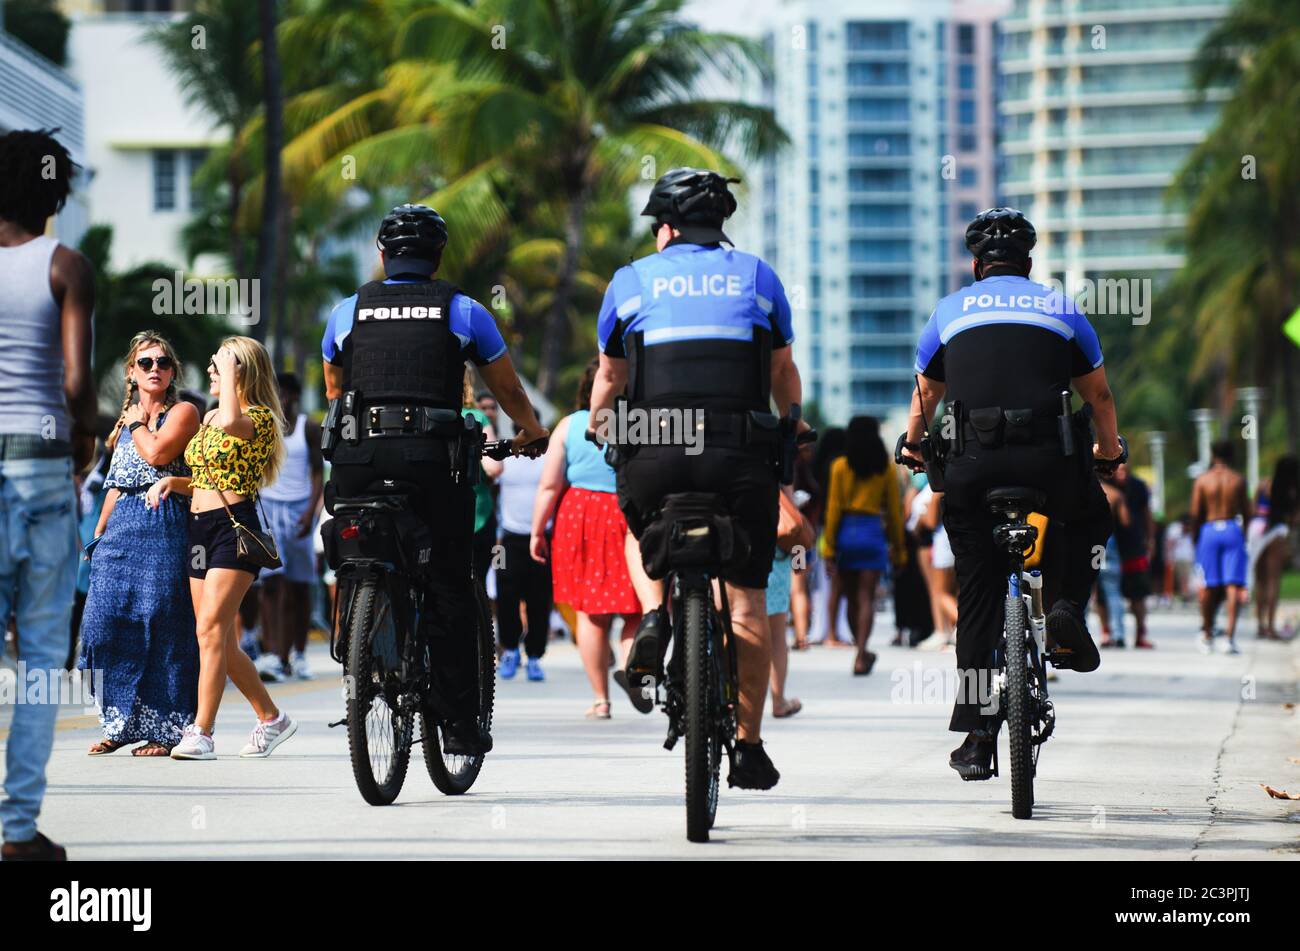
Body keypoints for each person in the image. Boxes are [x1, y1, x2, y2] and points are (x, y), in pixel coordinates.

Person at [591, 167, 807, 789]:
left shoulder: (630, 281)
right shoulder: (757, 276)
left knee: (641, 530)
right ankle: (748, 744)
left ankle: (656, 612)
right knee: (744, 602)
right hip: (739, 451)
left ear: (665, 228)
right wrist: (791, 423)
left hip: (655, 449)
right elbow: (782, 371)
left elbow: (609, 379)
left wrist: (600, 426)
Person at [900, 207, 1121, 782]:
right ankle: (1068, 607)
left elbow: (925, 397)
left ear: (977, 266)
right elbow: (1098, 396)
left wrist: (912, 445)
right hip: (1049, 463)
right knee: (1088, 519)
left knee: (975, 590)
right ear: (1028, 264)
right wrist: (1109, 453)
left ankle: (977, 736)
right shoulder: (1060, 307)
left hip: (972, 468)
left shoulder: (948, 312)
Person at [321, 204, 548, 754]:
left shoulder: (346, 311)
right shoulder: (464, 310)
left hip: (359, 461)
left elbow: (334, 389)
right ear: (439, 256)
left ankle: (364, 632)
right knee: (450, 582)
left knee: (361, 547)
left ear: (382, 254)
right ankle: (460, 725)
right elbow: (511, 391)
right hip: (432, 461)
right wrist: (532, 433)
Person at [0, 128, 97, 862]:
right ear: (52, 193)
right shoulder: (63, 265)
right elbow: (72, 384)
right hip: (39, 466)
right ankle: (16, 830)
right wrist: (85, 438)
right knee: (38, 658)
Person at [142, 337, 295, 760]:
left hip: (234, 531)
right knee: (218, 640)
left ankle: (202, 732)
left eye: (218, 366)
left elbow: (232, 423)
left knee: (210, 631)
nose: (210, 372)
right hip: (199, 527)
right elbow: (209, 478)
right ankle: (272, 718)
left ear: (240, 372)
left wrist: (228, 369)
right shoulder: (211, 416)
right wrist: (177, 483)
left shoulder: (257, 418)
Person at [80, 332, 200, 756]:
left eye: (162, 363)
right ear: (131, 371)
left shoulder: (182, 412)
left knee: (163, 625)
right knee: (101, 624)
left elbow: (156, 455)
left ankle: (165, 730)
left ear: (172, 372)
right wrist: (98, 535)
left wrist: (135, 421)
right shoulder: (122, 426)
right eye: (145, 363)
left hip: (163, 521)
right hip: (121, 529)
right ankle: (119, 719)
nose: (155, 369)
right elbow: (113, 485)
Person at [531, 360, 642, 717]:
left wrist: (537, 529)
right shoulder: (638, 422)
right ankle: (630, 665)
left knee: (591, 613)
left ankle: (601, 699)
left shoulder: (569, 426)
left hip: (581, 515)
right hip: (630, 513)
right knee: (635, 609)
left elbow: (550, 485)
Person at [819, 416, 906, 675]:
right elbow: (893, 511)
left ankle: (860, 648)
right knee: (866, 596)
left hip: (846, 531)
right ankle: (860, 653)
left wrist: (829, 548)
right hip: (872, 532)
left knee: (849, 597)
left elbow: (832, 509)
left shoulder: (839, 466)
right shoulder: (886, 469)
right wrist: (899, 550)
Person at [254, 373, 323, 683]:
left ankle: (299, 653)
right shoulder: (264, 426)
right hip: (268, 508)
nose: (279, 400)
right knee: (270, 584)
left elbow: (318, 474)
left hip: (299, 510)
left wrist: (311, 512)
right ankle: (272, 655)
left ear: (294, 396)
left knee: (299, 586)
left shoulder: (308, 427)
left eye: (283, 394)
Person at [496, 411, 552, 681]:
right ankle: (509, 650)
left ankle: (534, 656)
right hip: (506, 539)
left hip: (542, 538)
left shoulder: (549, 459)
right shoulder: (505, 456)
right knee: (505, 598)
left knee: (539, 600)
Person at [1190, 439, 1251, 654]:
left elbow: (1196, 513)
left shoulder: (1202, 480)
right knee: (1233, 584)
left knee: (1208, 584)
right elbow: (1247, 511)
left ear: (1213, 454)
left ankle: (1207, 635)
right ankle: (1229, 639)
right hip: (1232, 528)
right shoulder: (1238, 480)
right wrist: (1244, 535)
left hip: (1209, 529)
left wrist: (1196, 537)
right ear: (1231, 455)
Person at [768, 486, 812, 718]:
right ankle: (778, 700)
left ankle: (732, 698)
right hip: (778, 546)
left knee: (735, 627)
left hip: (739, 545)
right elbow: (792, 515)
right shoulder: (780, 453)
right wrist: (799, 558)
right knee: (777, 635)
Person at [1252, 456, 1299, 640]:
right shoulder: (1292, 491)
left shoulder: (1264, 484)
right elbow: (1295, 519)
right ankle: (1270, 627)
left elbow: (1253, 507)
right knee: (1273, 581)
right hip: (1276, 532)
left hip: (1257, 529)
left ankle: (1260, 625)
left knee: (1260, 580)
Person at [1113, 462, 1155, 648]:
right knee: (1107, 593)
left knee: (1138, 593)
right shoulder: (1105, 484)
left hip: (1134, 545)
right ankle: (1108, 632)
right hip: (1109, 546)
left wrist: (1150, 539)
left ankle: (1140, 634)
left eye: (1125, 469)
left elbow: (1147, 514)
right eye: (1118, 469)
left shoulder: (1138, 486)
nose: (1122, 473)